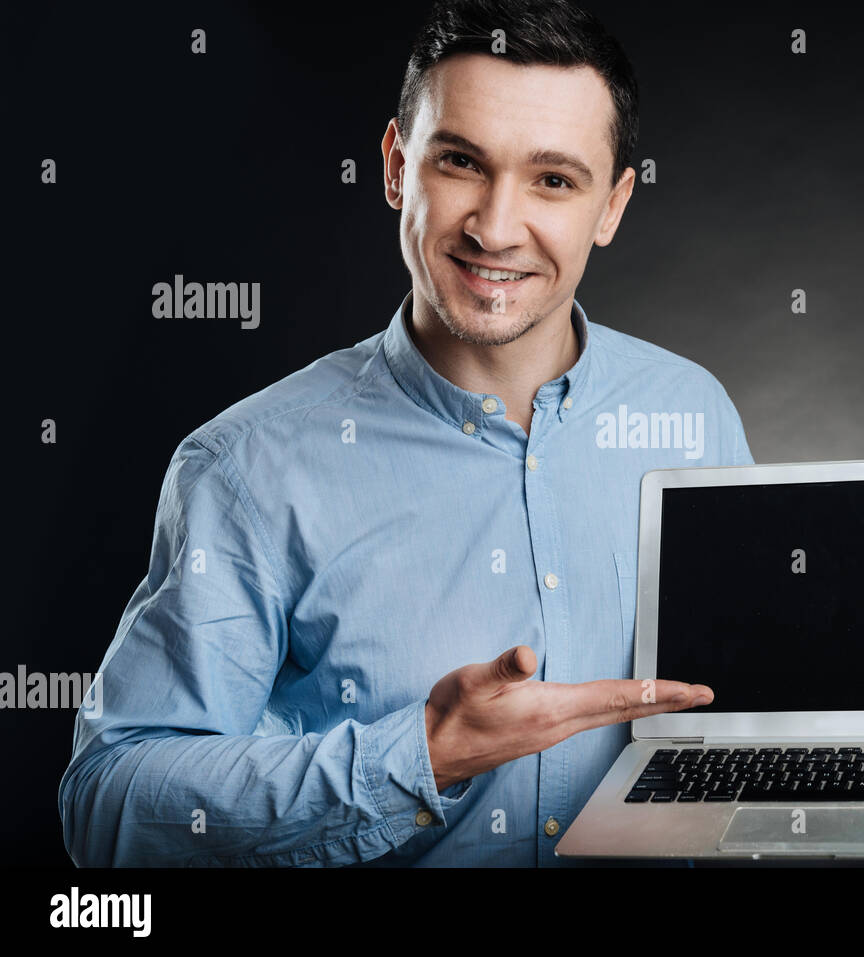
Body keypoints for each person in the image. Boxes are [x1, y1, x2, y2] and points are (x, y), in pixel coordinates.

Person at [58, 0, 752, 867]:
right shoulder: (246, 467)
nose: (496, 227)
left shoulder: (694, 410)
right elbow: (108, 805)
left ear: (610, 207)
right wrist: (418, 755)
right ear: (395, 167)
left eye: (554, 180)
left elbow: (740, 715)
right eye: (461, 162)